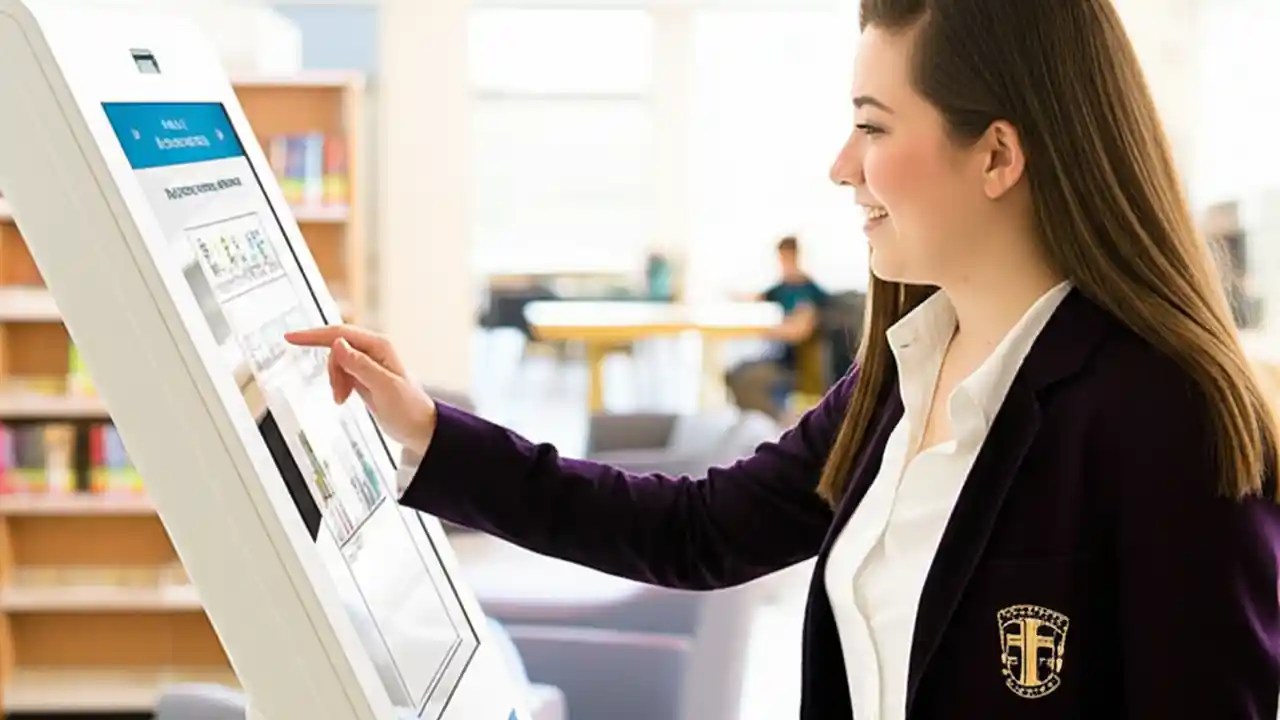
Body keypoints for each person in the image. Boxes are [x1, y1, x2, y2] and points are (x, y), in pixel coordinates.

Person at [286, 0, 1280, 717]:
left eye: (871, 126)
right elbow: (695, 530)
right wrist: (425, 436)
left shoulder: (1162, 415)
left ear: (996, 156)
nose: (840, 165)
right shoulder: (905, 374)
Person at [726, 236, 830, 418]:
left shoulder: (809, 290)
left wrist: (764, 330)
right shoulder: (782, 288)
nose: (783, 264)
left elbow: (799, 331)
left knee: (742, 377)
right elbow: (758, 297)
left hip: (797, 366)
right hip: (781, 356)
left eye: (787, 258)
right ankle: (763, 423)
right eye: (781, 259)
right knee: (735, 372)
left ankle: (771, 424)